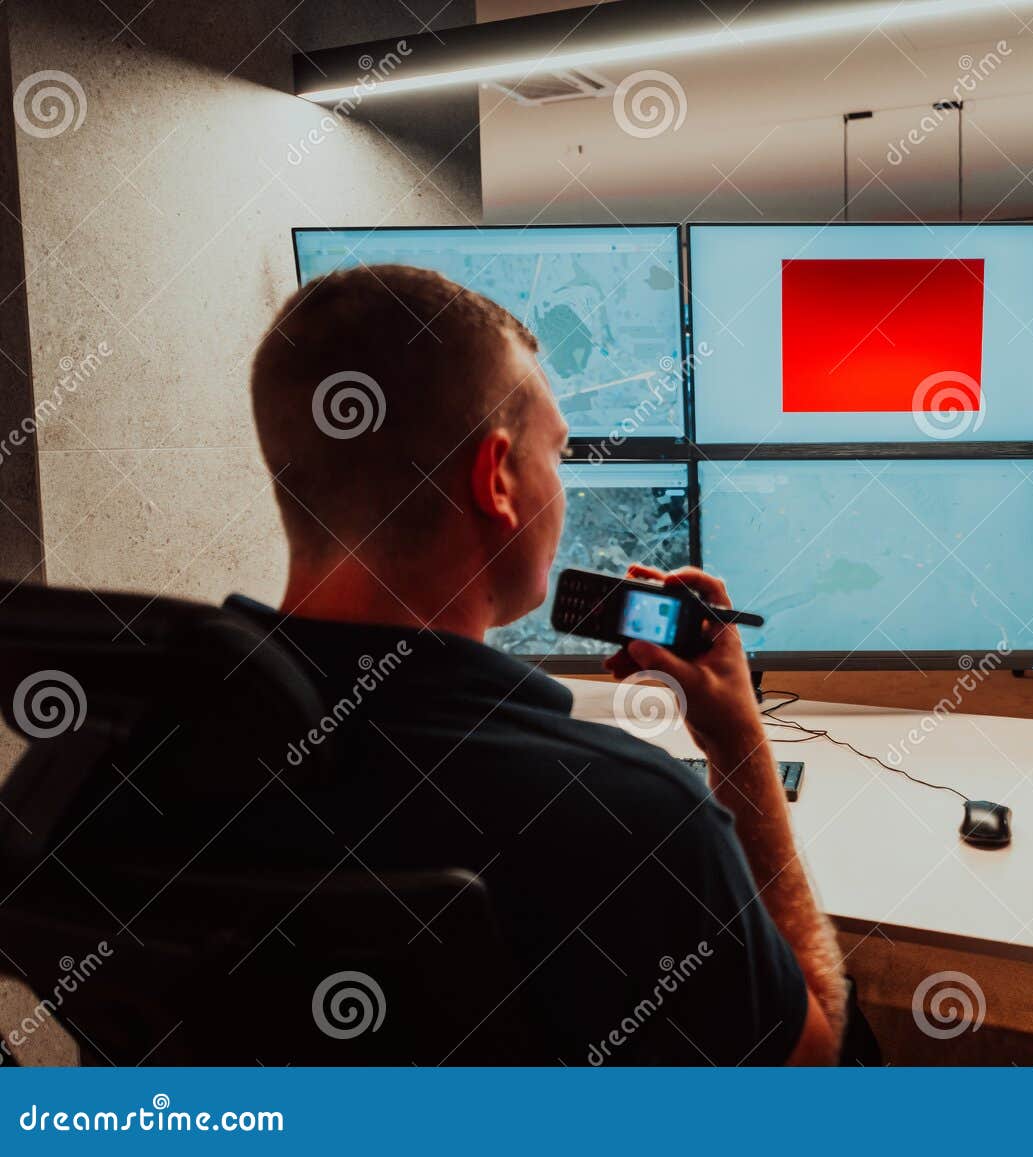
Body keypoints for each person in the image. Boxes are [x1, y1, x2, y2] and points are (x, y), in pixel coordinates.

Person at [133, 265, 845, 1064]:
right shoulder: (634, 817)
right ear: (498, 478)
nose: (564, 486)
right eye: (560, 454)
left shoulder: (127, 758)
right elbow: (806, 1067)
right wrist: (739, 743)